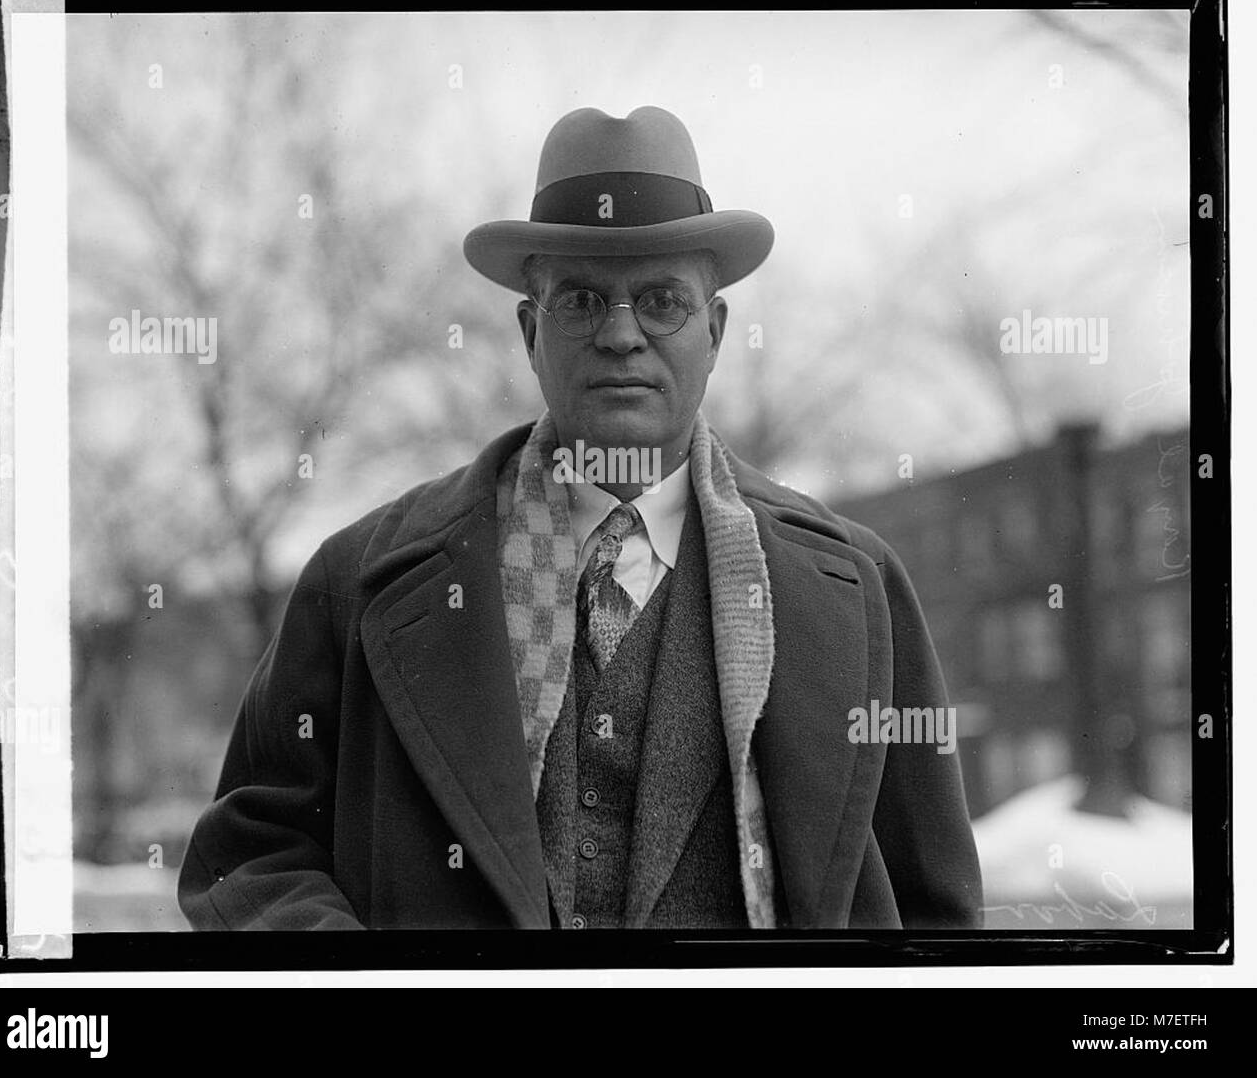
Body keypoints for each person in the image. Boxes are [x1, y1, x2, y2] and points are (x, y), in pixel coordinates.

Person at [178, 106, 982, 930]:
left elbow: (936, 913)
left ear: (715, 331)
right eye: (582, 300)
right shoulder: (359, 581)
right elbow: (249, 854)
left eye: (662, 299)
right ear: (531, 332)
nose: (621, 333)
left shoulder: (855, 589)